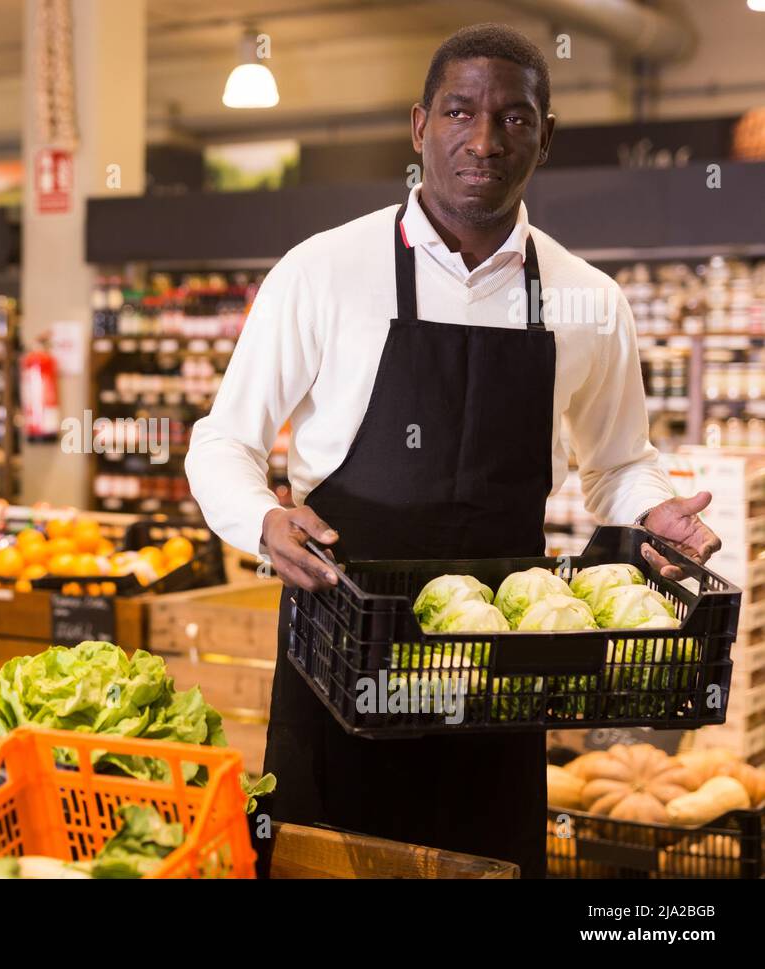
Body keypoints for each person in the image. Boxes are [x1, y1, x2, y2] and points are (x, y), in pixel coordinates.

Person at [185, 24, 722, 878]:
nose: (483, 140)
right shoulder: (323, 270)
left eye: (514, 119)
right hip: (344, 655)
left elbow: (617, 461)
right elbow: (224, 438)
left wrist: (650, 507)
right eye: (460, 111)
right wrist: (261, 519)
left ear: (543, 136)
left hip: (499, 676)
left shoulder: (589, 299)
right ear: (419, 125)